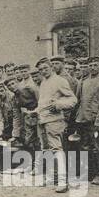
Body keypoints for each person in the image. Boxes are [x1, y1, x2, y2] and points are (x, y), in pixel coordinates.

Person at [35, 56, 78, 190]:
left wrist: (59, 104)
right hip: (42, 120)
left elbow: (73, 100)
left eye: (45, 68)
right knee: (46, 150)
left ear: (51, 67)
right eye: (41, 69)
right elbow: (44, 103)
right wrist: (34, 111)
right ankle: (51, 177)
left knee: (57, 150)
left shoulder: (60, 81)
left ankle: (62, 182)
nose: (43, 71)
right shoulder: (43, 82)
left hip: (54, 121)